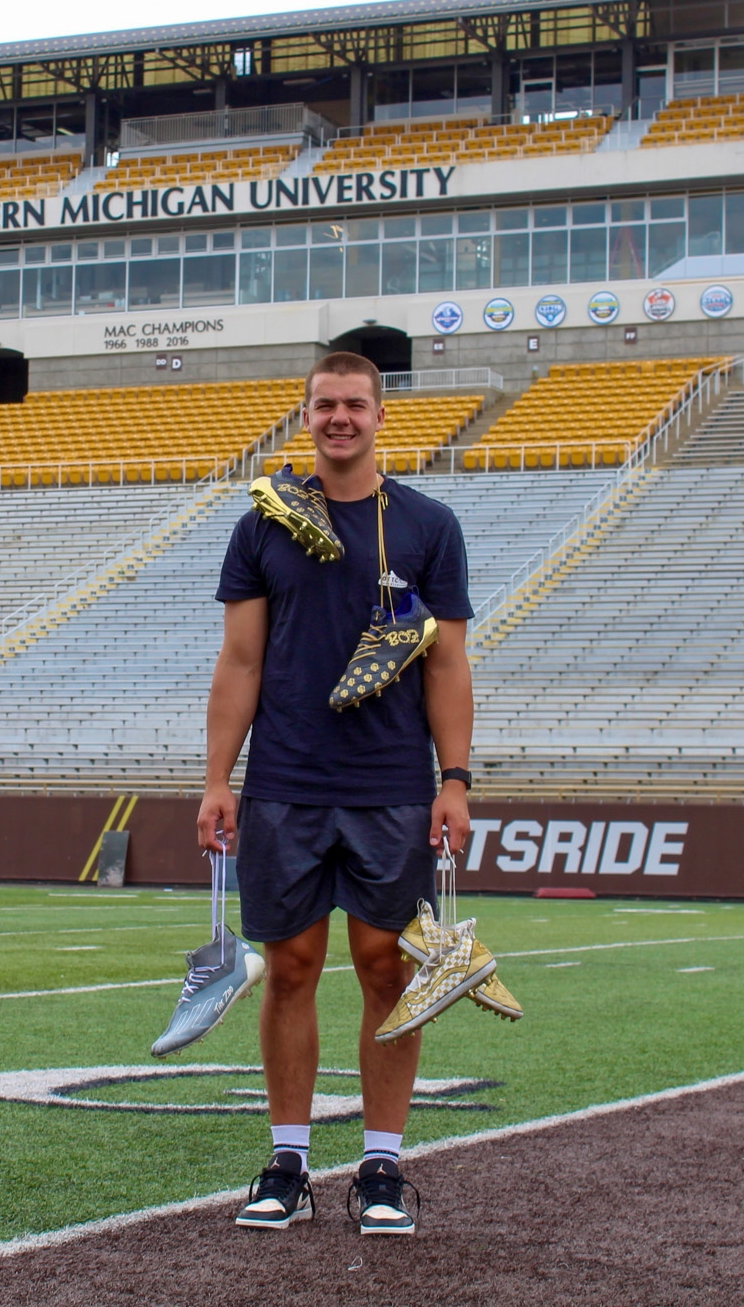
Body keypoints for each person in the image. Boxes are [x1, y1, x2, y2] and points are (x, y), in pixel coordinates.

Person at [199, 350, 474, 1236]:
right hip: (284, 782)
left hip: (393, 784)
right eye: (325, 405)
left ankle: (383, 1167)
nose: (340, 417)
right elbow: (241, 661)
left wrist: (455, 779)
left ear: (381, 415)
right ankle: (288, 1161)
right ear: (305, 414)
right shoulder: (262, 526)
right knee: (289, 968)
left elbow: (449, 663)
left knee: (387, 970)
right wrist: (218, 777)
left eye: (356, 403)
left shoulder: (430, 525)